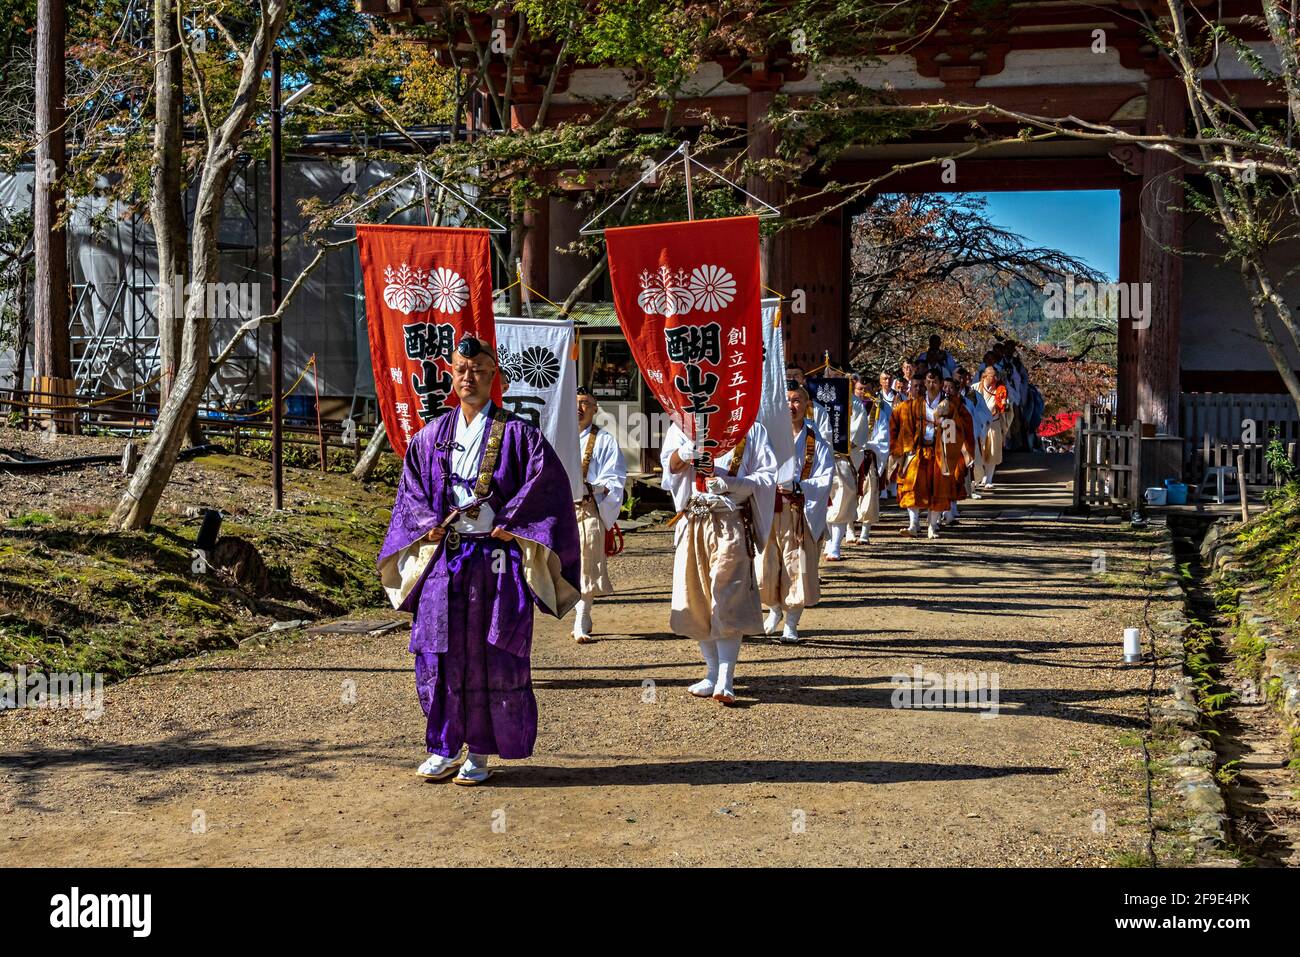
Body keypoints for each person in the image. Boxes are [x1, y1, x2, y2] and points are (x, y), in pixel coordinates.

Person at [379, 335, 581, 786]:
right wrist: (426, 522)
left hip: (496, 562)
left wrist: (515, 521)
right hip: (446, 560)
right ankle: (444, 746)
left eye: (479, 371)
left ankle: (482, 753)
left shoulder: (520, 435)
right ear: (452, 375)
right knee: (438, 653)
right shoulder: (429, 437)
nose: (468, 378)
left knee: (495, 652)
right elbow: (410, 493)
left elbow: (549, 489)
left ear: (497, 379)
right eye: (461, 370)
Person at [662, 419, 777, 705]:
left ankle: (726, 677)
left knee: (729, 595)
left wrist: (732, 484)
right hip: (693, 516)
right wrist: (685, 453)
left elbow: (767, 476)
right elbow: (670, 469)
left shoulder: (753, 428)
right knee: (696, 596)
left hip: (730, 519)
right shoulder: (684, 424)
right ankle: (711, 672)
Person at [760, 382, 833, 643]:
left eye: (797, 400)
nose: (791, 406)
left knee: (796, 565)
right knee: (767, 564)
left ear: (806, 404)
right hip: (769, 507)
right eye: (787, 400)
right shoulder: (766, 434)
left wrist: (799, 486)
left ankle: (792, 621)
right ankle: (773, 610)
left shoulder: (816, 440)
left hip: (797, 510)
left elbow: (825, 477)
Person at [572, 386, 627, 644]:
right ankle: (579, 609)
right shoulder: (557, 438)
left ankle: (581, 616)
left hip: (587, 507)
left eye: (585, 403)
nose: (579, 407)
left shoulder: (604, 440)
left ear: (595, 408)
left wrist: (592, 486)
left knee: (587, 562)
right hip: (560, 509)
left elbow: (615, 478)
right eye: (575, 402)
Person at [888, 368, 951, 538]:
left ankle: (932, 526)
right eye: (928, 382)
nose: (931, 385)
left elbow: (954, 431)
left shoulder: (948, 404)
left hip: (939, 452)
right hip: (917, 452)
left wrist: (943, 426)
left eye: (935, 382)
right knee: (911, 486)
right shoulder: (914, 404)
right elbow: (898, 428)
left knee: (937, 488)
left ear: (940, 384)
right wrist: (901, 448)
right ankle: (913, 524)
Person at [938, 377, 977, 526]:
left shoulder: (962, 406)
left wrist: (967, 449)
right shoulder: (939, 405)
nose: (947, 391)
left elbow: (968, 426)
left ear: (957, 390)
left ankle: (951, 509)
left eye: (951, 388)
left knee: (957, 477)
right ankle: (944, 511)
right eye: (945, 387)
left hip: (959, 447)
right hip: (941, 447)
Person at [974, 365, 1009, 490]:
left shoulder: (1001, 389)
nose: (995, 378)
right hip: (978, 424)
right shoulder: (975, 388)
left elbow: (1007, 409)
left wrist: (1005, 405)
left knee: (992, 452)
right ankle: (980, 477)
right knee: (979, 452)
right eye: (992, 375)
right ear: (985, 376)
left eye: (996, 376)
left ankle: (989, 479)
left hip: (994, 423)